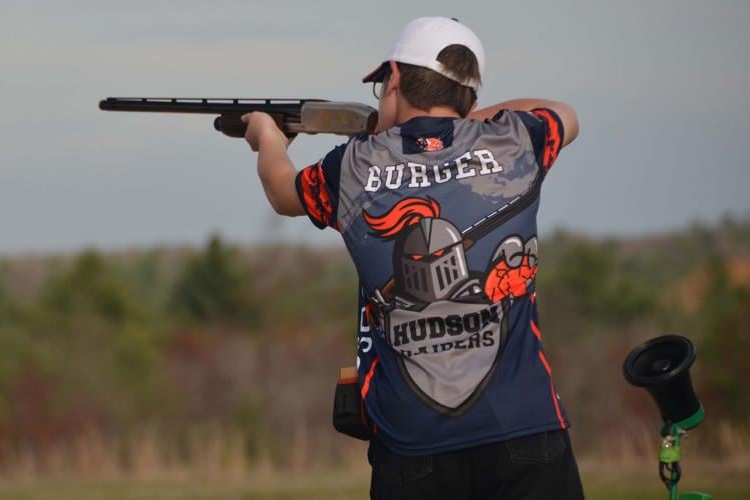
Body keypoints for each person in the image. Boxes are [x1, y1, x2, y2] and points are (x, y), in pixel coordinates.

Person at [241, 16, 583, 500]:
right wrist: (466, 122)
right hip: (527, 430)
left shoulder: (353, 166)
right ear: (469, 96)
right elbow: (564, 113)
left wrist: (268, 137)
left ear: (396, 77)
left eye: (383, 83)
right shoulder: (517, 141)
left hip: (413, 449)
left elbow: (282, 190)